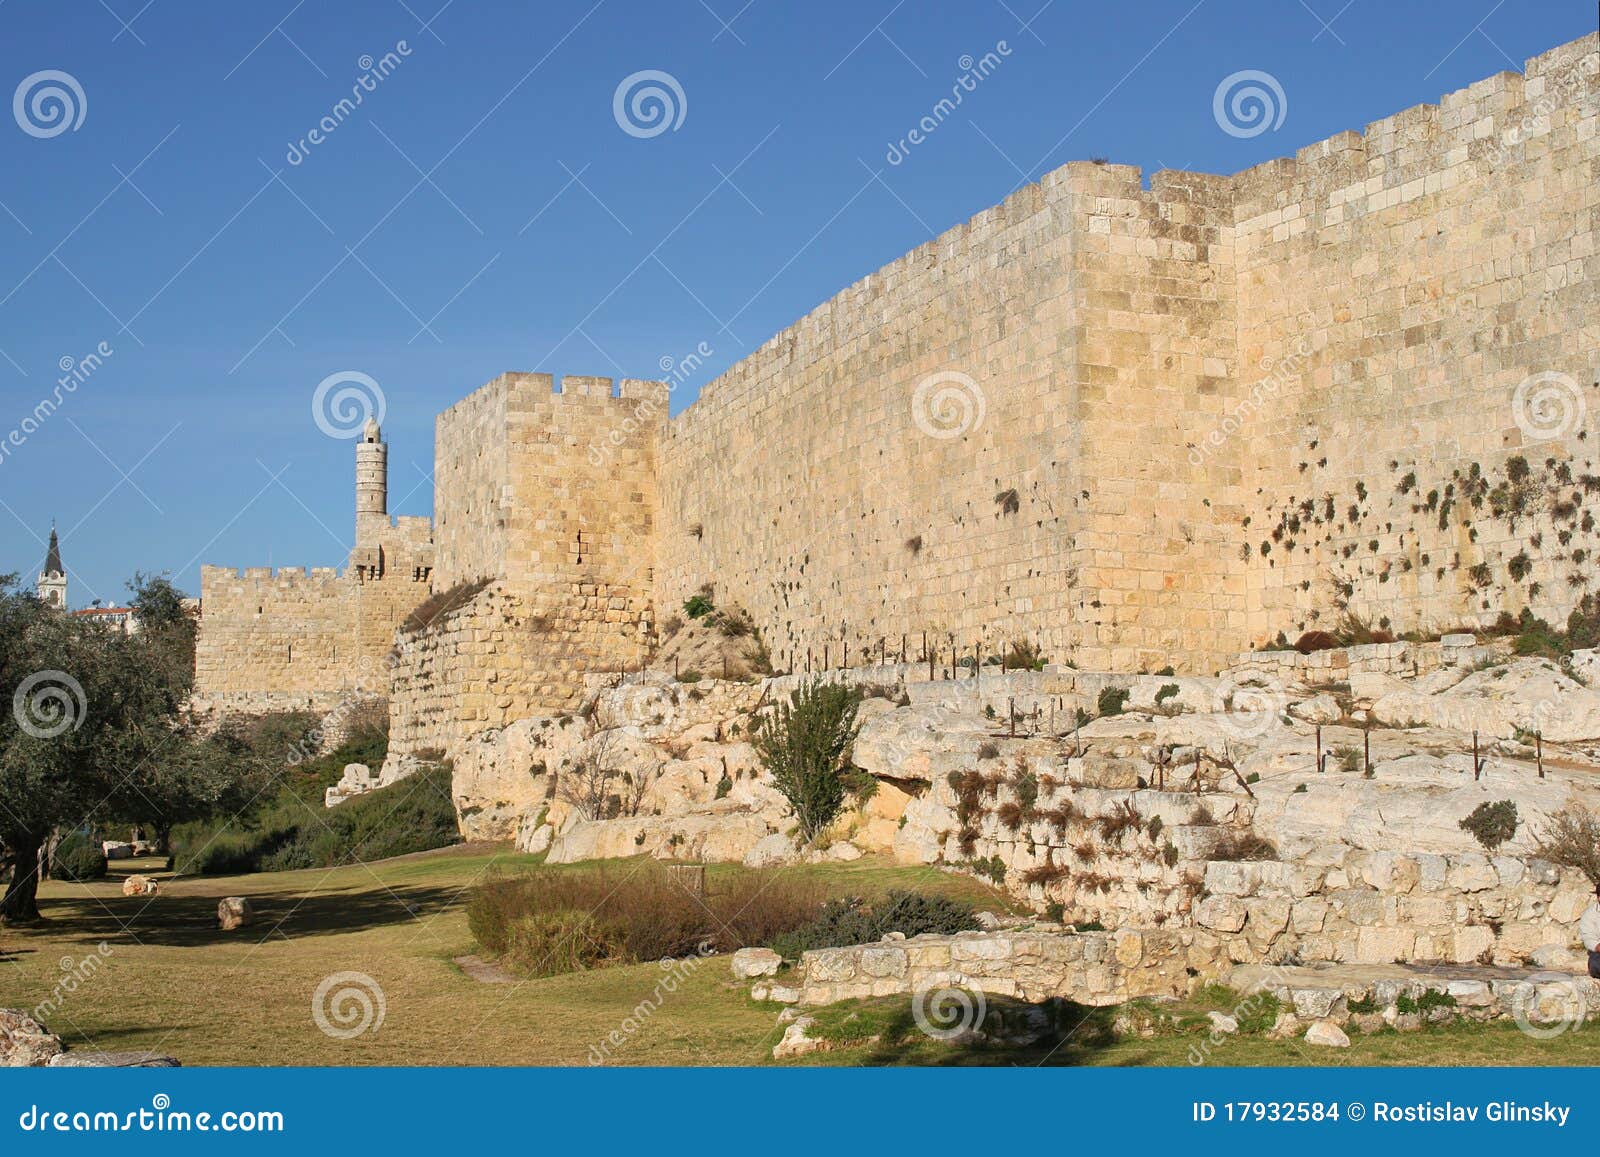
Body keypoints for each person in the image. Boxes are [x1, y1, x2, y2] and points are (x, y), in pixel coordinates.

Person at [1583, 883, 1600, 979]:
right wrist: (1598, 946)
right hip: (1599, 953)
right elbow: (1589, 939)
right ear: (1598, 898)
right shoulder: (1589, 915)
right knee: (1595, 964)